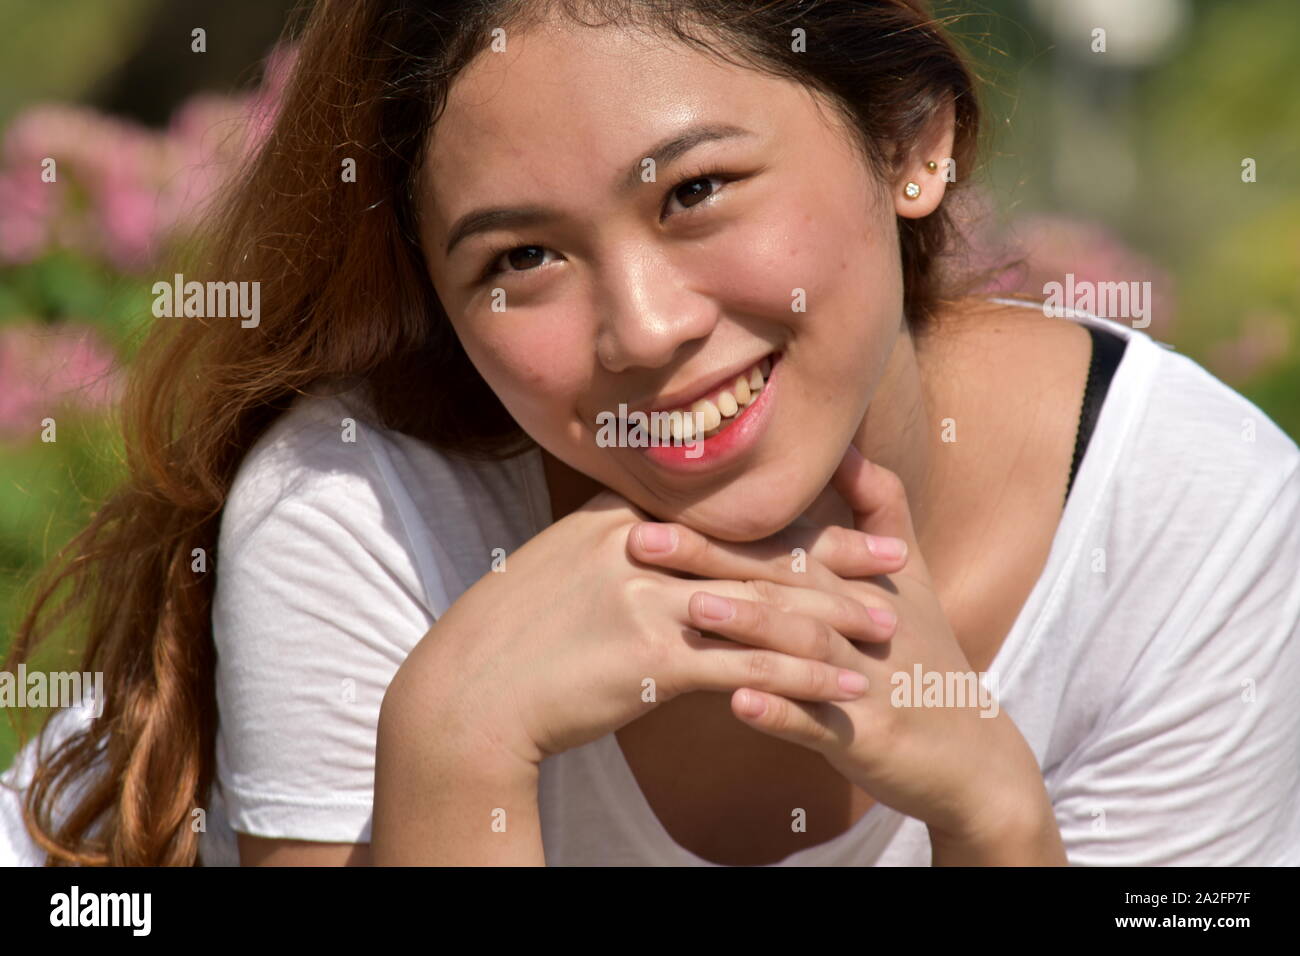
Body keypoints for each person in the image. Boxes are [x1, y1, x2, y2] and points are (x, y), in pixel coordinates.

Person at [3, 0, 1297, 867]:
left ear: (913, 140)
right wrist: (455, 752)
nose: (643, 329)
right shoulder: (361, 510)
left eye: (696, 191)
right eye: (520, 257)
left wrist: (999, 823)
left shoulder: (1196, 523)